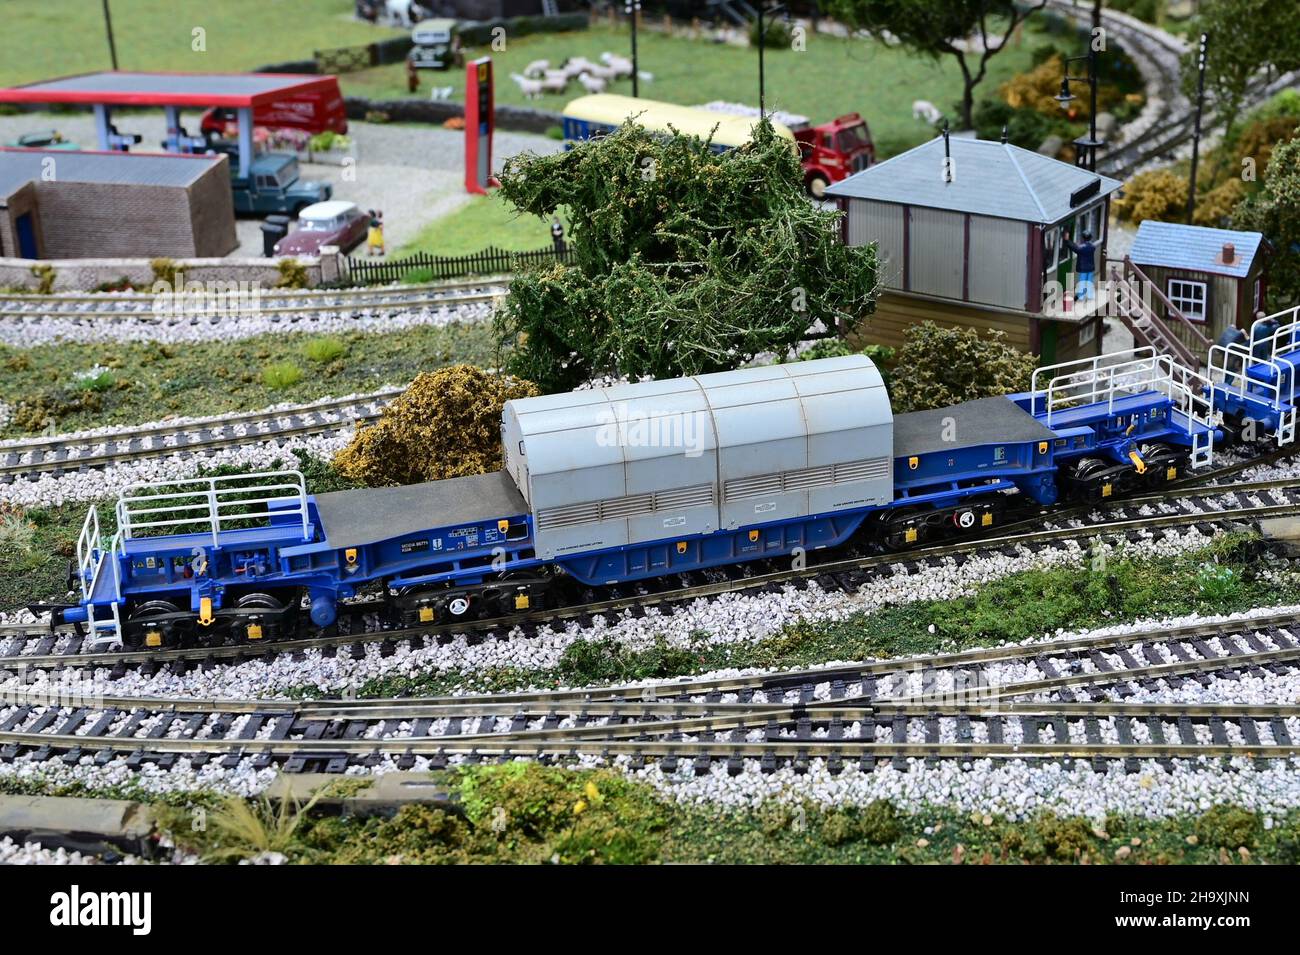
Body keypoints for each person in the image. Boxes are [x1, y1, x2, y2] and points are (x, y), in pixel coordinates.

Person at [1063, 229, 1097, 301]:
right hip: (1090, 268)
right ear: (1090, 238)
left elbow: (1074, 247)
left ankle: (1081, 297)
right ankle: (1090, 295)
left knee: (1082, 282)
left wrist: (1067, 240)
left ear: (1083, 238)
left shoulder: (1080, 248)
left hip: (1083, 268)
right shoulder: (1093, 247)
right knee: (1090, 281)